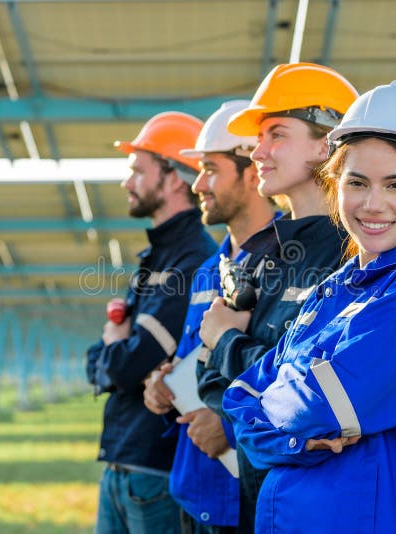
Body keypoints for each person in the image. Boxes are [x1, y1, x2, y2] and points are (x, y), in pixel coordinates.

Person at [222, 80, 396, 533]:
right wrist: (295, 431)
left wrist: (285, 396)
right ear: (335, 184)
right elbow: (240, 399)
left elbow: (325, 405)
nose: (373, 204)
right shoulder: (333, 290)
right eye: (357, 183)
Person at [194, 63, 358, 532]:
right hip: (264, 501)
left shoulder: (354, 256)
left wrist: (228, 343)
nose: (258, 152)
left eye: (276, 135)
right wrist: (246, 367)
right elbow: (214, 385)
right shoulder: (266, 256)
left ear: (327, 145)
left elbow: (313, 400)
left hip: (321, 508)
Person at [142, 100, 277, 533]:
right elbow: (197, 366)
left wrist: (231, 429)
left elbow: (295, 384)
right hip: (196, 492)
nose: (197, 183)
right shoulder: (205, 273)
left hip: (248, 499)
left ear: (253, 173)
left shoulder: (291, 268)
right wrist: (164, 386)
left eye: (212, 170)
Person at [85, 111, 217, 534]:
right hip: (124, 462)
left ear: (175, 176)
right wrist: (112, 352)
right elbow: (110, 362)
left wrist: (111, 350)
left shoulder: (193, 259)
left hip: (155, 470)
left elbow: (127, 363)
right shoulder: (158, 259)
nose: (127, 183)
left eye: (137, 171)